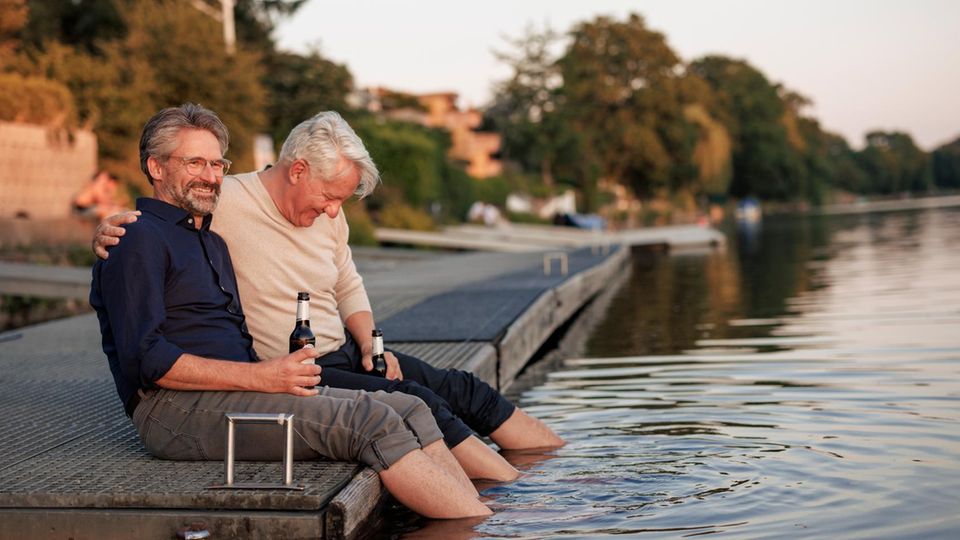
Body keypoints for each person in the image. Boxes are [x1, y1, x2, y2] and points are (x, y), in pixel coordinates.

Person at [94, 111, 564, 482]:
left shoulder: (328, 216)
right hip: (287, 365)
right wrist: (111, 227)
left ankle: (555, 473)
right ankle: (512, 496)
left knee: (463, 387)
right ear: (297, 170)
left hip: (340, 350)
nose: (334, 210)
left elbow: (347, 281)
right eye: (330, 196)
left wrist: (368, 342)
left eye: (344, 200)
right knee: (419, 402)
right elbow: (166, 213)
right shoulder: (226, 199)